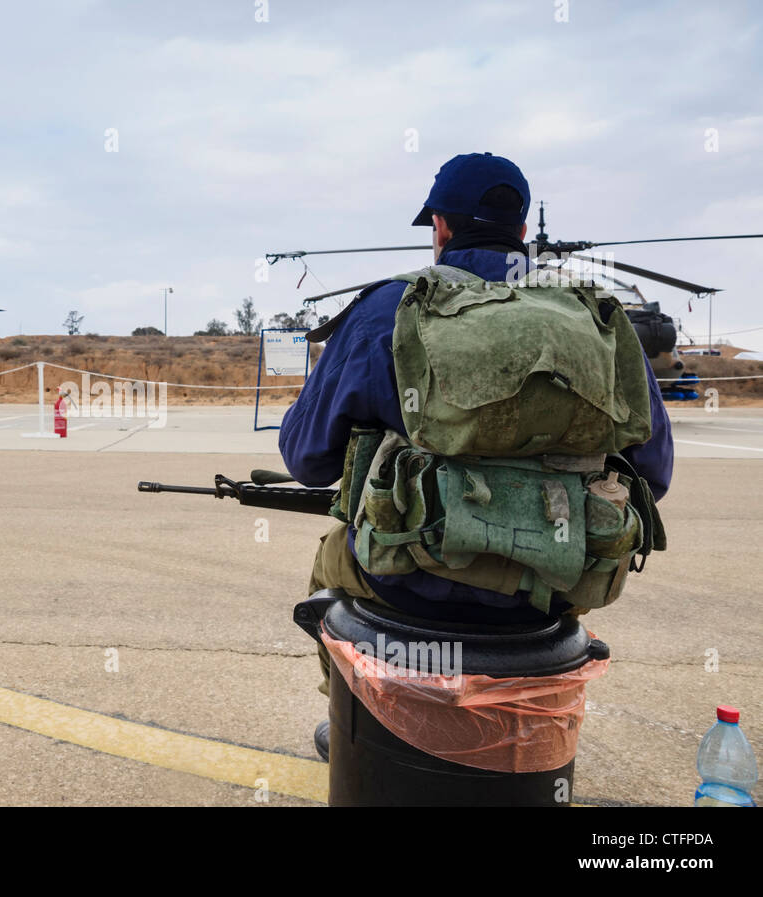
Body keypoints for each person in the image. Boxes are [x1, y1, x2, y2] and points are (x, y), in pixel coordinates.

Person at [278, 153, 674, 759]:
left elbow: (306, 461)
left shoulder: (388, 308)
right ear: (521, 231)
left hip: (408, 585)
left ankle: (355, 726)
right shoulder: (595, 316)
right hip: (556, 589)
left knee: (332, 559)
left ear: (441, 226)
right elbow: (655, 471)